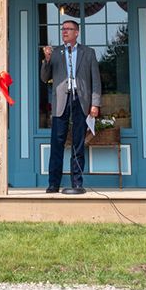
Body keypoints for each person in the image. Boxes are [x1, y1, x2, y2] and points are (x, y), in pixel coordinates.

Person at [40, 19, 101, 194]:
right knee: (57, 143)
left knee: (78, 144)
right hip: (60, 102)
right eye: (63, 29)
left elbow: (95, 80)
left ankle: (77, 183)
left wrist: (95, 103)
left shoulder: (88, 53)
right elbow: (45, 78)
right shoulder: (56, 52)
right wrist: (46, 60)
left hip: (81, 101)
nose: (64, 32)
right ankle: (53, 184)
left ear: (77, 32)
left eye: (68, 29)